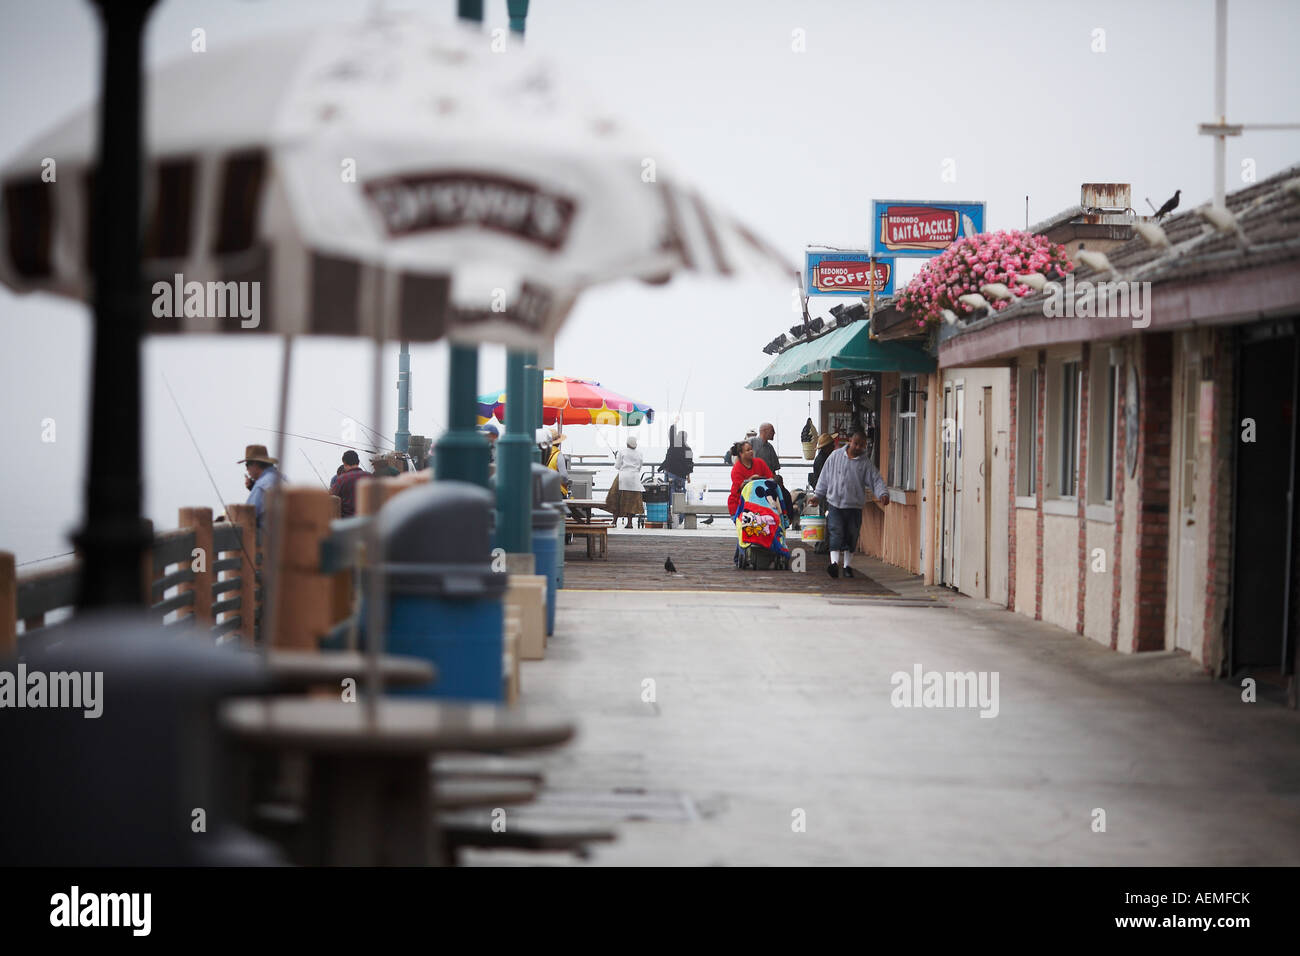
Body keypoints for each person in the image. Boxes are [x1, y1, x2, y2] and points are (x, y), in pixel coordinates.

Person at [809, 429, 890, 579]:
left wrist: (882, 493)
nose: (858, 447)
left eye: (862, 445)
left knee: (851, 536)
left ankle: (847, 566)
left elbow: (875, 480)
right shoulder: (835, 456)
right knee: (836, 532)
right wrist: (817, 496)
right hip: (835, 503)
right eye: (856, 443)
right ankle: (834, 564)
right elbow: (824, 478)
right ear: (850, 441)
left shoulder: (865, 463)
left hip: (854, 506)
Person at [726, 439, 774, 518]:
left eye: (751, 449)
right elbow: (740, 487)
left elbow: (770, 477)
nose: (751, 451)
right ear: (741, 454)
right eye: (748, 450)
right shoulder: (736, 469)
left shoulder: (760, 462)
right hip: (739, 503)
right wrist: (752, 480)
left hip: (760, 501)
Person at [239, 444, 283, 528]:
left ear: (255, 464)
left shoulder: (260, 486)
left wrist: (255, 488)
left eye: (247, 465)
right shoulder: (283, 478)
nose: (246, 469)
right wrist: (253, 488)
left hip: (270, 539)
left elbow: (246, 518)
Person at [662, 425, 694, 528]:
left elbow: (671, 433)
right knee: (681, 495)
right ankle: (680, 518)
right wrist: (688, 476)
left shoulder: (673, 445)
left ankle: (670, 517)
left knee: (669, 495)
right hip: (682, 476)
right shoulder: (688, 449)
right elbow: (690, 463)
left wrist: (673, 424)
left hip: (671, 473)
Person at [610, 435, 644, 527]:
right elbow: (639, 467)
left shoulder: (622, 452)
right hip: (634, 478)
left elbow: (617, 466)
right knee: (632, 501)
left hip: (623, 477)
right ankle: (629, 523)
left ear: (627, 443)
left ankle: (614, 521)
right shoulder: (639, 454)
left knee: (616, 498)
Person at [328, 449, 369, 518]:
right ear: (358, 462)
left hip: (347, 521)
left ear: (344, 463)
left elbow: (332, 497)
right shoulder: (370, 477)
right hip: (367, 521)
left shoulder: (341, 479)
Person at [546, 429, 570, 496]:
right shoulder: (558, 454)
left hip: (542, 490)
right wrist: (567, 482)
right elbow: (564, 476)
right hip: (556, 491)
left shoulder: (541, 452)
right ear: (558, 442)